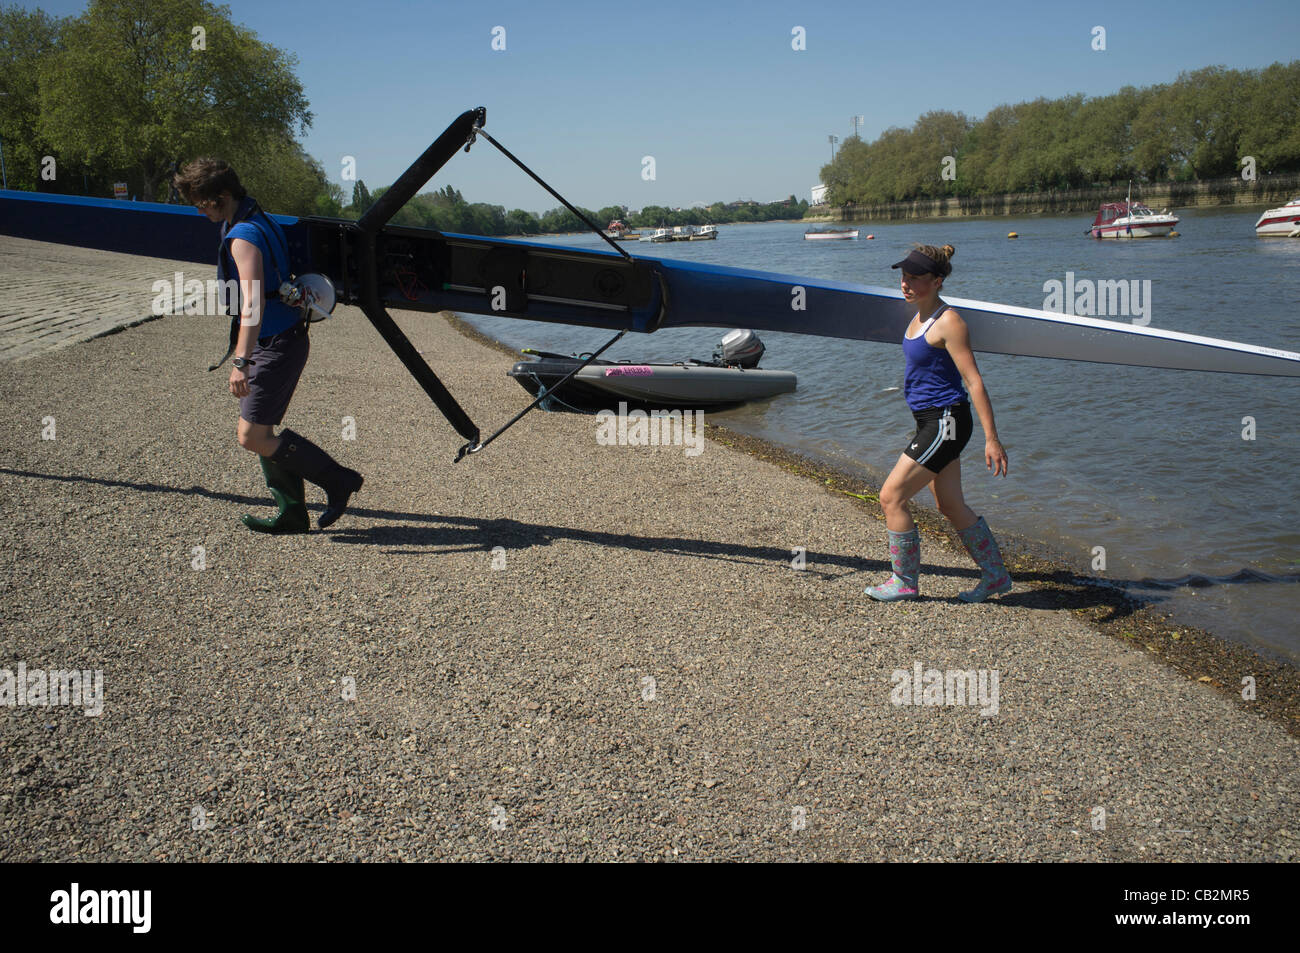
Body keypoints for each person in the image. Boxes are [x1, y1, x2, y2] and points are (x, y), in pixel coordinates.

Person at [173, 158, 363, 534]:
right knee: (259, 431)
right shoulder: (256, 216)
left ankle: (339, 480)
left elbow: (252, 304)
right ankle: (291, 512)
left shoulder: (243, 235)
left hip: (274, 344)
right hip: (281, 338)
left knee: (252, 436)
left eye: (201, 203)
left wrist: (241, 361)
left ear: (221, 197)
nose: (197, 210)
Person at [864, 243, 1011, 603]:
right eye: (904, 276)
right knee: (949, 504)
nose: (906, 283)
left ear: (938, 281)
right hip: (931, 420)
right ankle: (995, 576)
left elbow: (974, 380)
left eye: (915, 278)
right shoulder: (917, 317)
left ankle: (905, 582)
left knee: (891, 496)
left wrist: (992, 439)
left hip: (946, 422)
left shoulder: (950, 322)